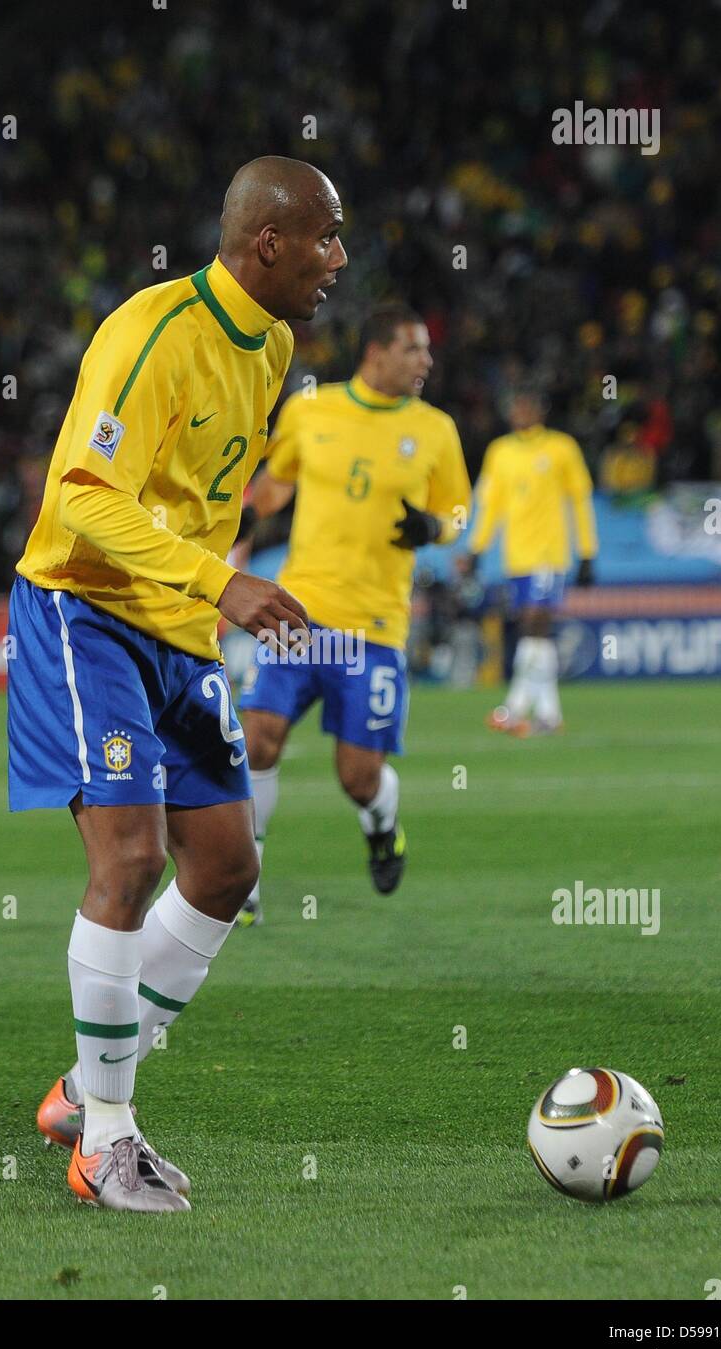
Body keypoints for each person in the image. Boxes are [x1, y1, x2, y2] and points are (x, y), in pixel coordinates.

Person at [6, 156, 347, 1213]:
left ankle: (85, 1086)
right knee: (132, 855)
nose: (340, 259)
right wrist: (224, 580)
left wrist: (212, 590)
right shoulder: (151, 334)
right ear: (268, 245)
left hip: (176, 631)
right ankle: (105, 1136)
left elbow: (206, 491)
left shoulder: (276, 344)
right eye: (327, 238)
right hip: (83, 610)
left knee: (228, 867)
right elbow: (81, 500)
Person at [235, 305, 470, 925]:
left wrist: (434, 526)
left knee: (358, 776)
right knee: (256, 740)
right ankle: (245, 880)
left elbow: (463, 515)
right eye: (414, 349)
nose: (426, 361)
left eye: (426, 351)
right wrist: (242, 522)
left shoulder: (436, 429)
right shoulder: (310, 411)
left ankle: (382, 823)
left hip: (374, 627)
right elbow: (275, 484)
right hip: (298, 612)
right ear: (377, 352)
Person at [460, 389, 597, 736]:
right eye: (515, 405)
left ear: (541, 409)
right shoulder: (500, 452)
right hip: (517, 558)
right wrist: (476, 549)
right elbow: (491, 507)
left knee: (535, 623)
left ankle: (516, 707)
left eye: (526, 405)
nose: (520, 411)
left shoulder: (561, 448)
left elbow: (579, 500)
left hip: (549, 555)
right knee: (534, 630)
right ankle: (548, 714)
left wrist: (587, 551)